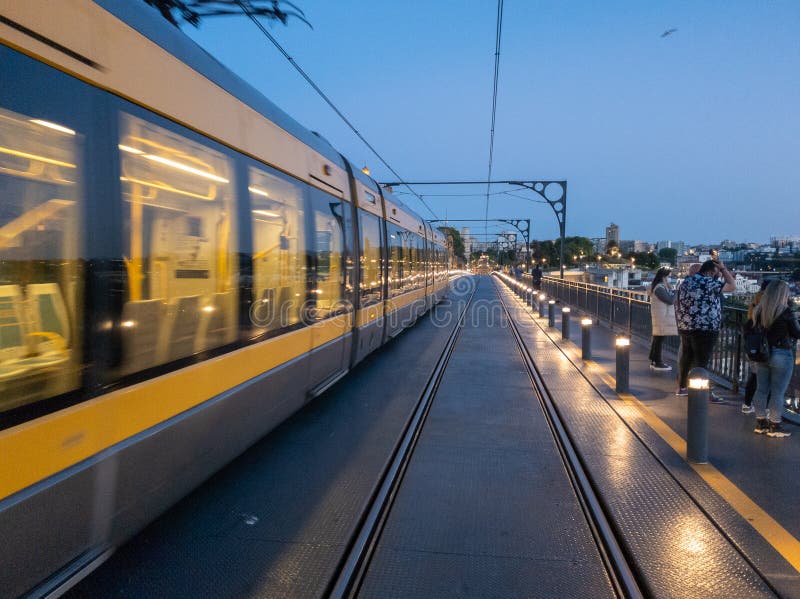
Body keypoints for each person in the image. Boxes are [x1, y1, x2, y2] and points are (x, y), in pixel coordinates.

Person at [674, 259, 736, 400]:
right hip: (705, 327)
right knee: (701, 361)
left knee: (686, 357)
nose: (718, 275)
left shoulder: (686, 282)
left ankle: (682, 388)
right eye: (717, 273)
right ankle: (702, 393)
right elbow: (732, 286)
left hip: (686, 325)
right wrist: (723, 269)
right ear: (712, 272)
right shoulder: (708, 282)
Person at [750, 280, 800, 437]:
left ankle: (760, 423)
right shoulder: (786, 311)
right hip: (782, 354)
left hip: (762, 354)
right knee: (778, 392)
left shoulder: (758, 310)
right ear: (782, 294)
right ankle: (775, 425)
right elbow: (796, 334)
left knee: (761, 389)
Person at [741, 279, 770, 414]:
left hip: (753, 342)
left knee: (754, 375)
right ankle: (766, 408)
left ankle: (747, 404)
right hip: (763, 343)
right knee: (766, 377)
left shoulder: (756, 299)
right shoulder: (768, 301)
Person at [648, 267, 677, 371]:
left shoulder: (659, 286)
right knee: (659, 339)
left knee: (657, 338)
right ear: (664, 277)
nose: (669, 279)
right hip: (661, 316)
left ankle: (654, 360)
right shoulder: (659, 288)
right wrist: (676, 292)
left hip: (661, 315)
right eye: (668, 277)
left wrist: (671, 288)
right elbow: (670, 300)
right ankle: (658, 362)